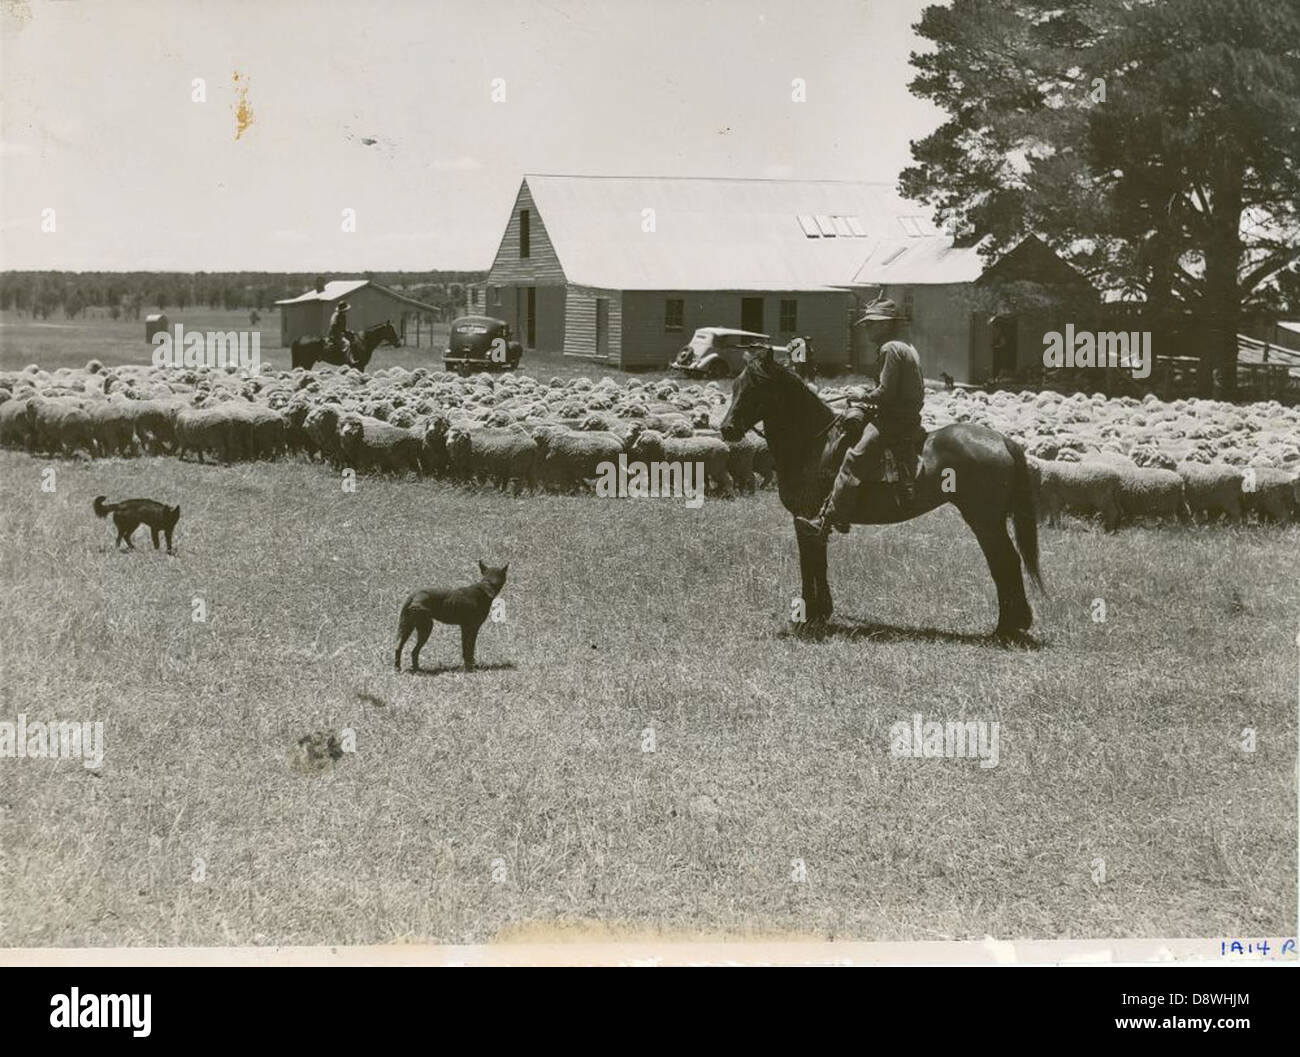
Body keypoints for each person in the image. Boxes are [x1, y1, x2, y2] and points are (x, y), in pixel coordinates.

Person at [795, 339, 925, 539]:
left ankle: (828, 519)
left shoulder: (889, 349)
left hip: (894, 418)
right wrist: (865, 393)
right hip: (903, 414)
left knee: (855, 456)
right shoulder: (904, 346)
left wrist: (861, 396)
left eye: (872, 323)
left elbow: (886, 393)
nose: (868, 329)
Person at [327, 300, 355, 365]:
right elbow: (334, 327)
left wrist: (349, 332)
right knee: (347, 343)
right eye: (345, 310)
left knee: (353, 338)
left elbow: (343, 328)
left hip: (340, 334)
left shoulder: (343, 316)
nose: (346, 312)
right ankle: (347, 360)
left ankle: (353, 355)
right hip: (334, 335)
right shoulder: (336, 316)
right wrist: (340, 334)